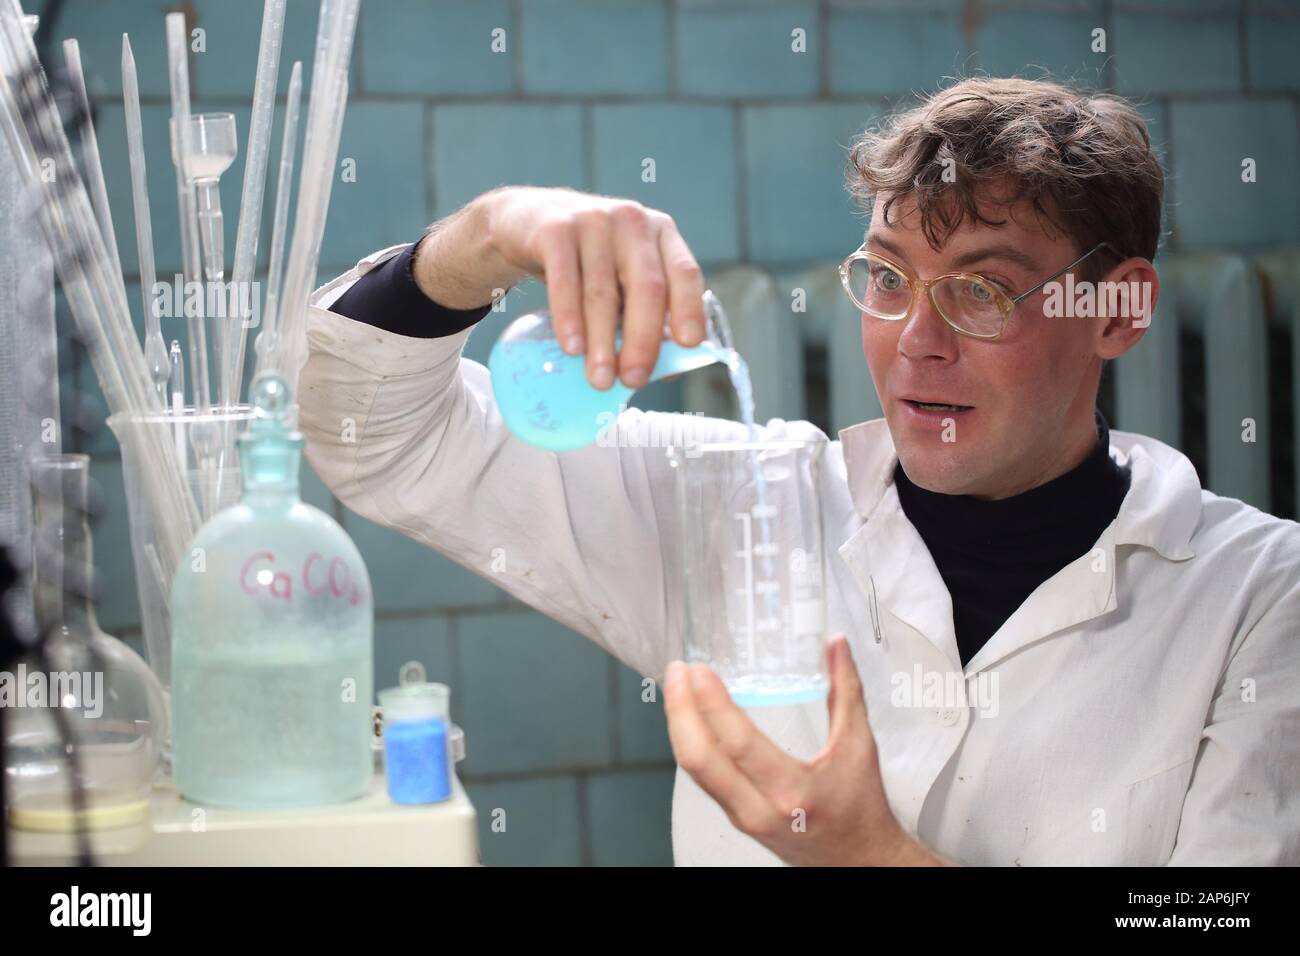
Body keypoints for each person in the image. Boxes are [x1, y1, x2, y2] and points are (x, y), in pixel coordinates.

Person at [297, 77, 1300, 866]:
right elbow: (376, 435)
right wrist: (485, 236)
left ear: (1117, 312)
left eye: (984, 288)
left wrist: (871, 859)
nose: (916, 341)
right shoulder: (742, 505)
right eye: (889, 276)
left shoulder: (1262, 597)